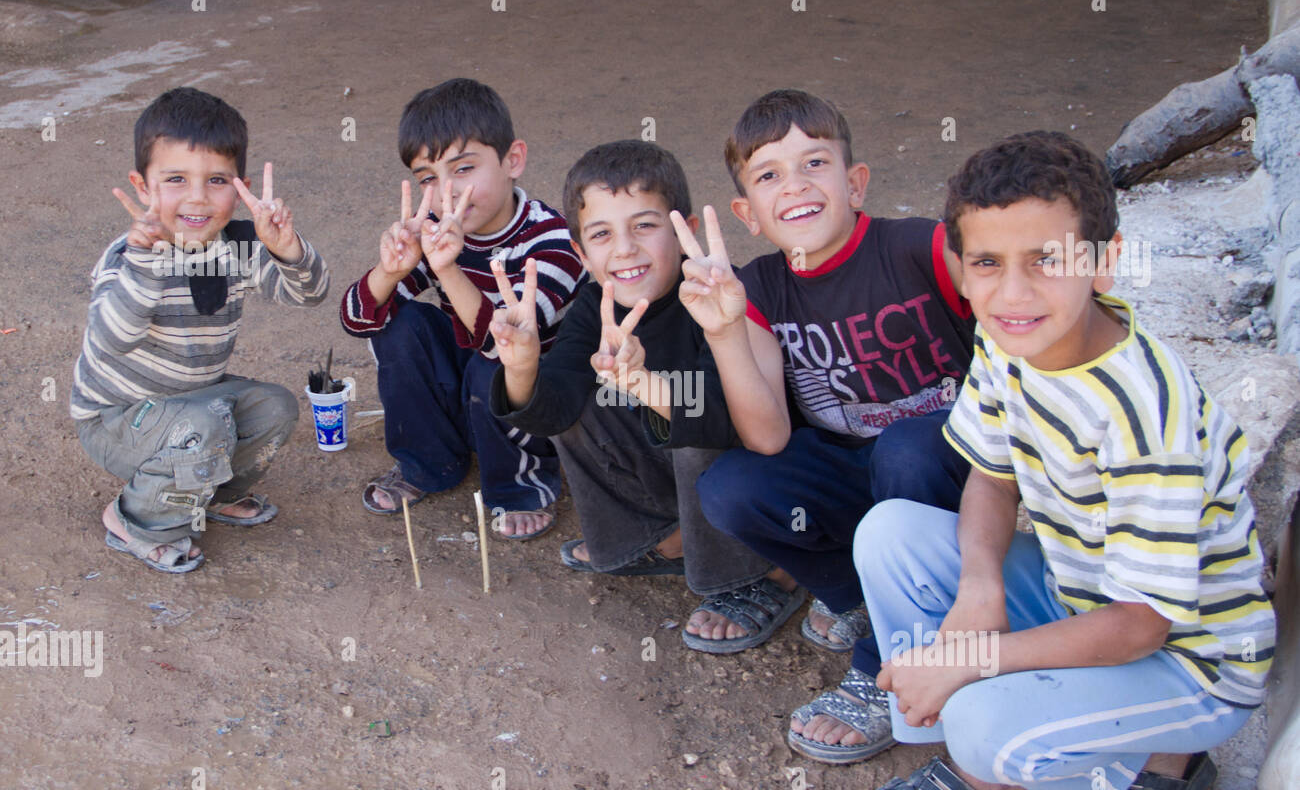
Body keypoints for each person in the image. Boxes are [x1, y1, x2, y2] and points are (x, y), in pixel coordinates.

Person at [848, 130, 1275, 790]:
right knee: (888, 531)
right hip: (1080, 600)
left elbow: (1144, 624)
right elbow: (992, 472)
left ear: (1104, 262)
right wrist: (979, 586)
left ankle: (1163, 759)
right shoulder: (1009, 340)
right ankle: (993, 736)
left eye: (1047, 260)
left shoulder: (1143, 413)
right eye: (987, 263)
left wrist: (977, 659)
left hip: (1191, 660)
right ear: (961, 269)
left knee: (980, 717)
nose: (1013, 292)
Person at [676, 88, 973, 730]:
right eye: (768, 175)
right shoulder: (757, 289)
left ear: (855, 182)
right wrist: (725, 330)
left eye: (815, 163)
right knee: (729, 488)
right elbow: (768, 437)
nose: (795, 185)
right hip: (852, 477)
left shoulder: (922, 249)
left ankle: (882, 669)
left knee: (907, 447)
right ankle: (862, 598)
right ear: (747, 213)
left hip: (949, 476)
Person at [489, 140, 803, 644]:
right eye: (601, 234)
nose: (625, 249)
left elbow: (731, 421)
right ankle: (662, 539)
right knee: (580, 395)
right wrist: (523, 365)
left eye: (645, 225)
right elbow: (554, 411)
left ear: (685, 233)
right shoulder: (595, 305)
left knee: (689, 409)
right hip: (681, 472)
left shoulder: (719, 295)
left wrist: (642, 383)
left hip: (760, 478)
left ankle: (763, 573)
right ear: (581, 254)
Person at [72, 86, 330, 573]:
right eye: (175, 179)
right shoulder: (128, 257)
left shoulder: (238, 244)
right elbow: (112, 339)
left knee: (274, 407)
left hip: (192, 402)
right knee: (204, 425)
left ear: (241, 187)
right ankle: (139, 521)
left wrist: (287, 248)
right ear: (142, 186)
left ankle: (204, 496)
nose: (197, 197)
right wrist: (146, 269)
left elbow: (309, 293)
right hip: (116, 421)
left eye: (216, 180)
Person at [338, 78, 585, 539]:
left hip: (540, 403)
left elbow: (505, 343)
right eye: (429, 178)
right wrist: (389, 271)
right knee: (396, 324)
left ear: (513, 160)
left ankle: (521, 487)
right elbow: (356, 319)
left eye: (464, 168)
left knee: (495, 362)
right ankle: (428, 463)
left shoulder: (553, 242)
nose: (447, 191)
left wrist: (448, 269)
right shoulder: (433, 228)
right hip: (472, 396)